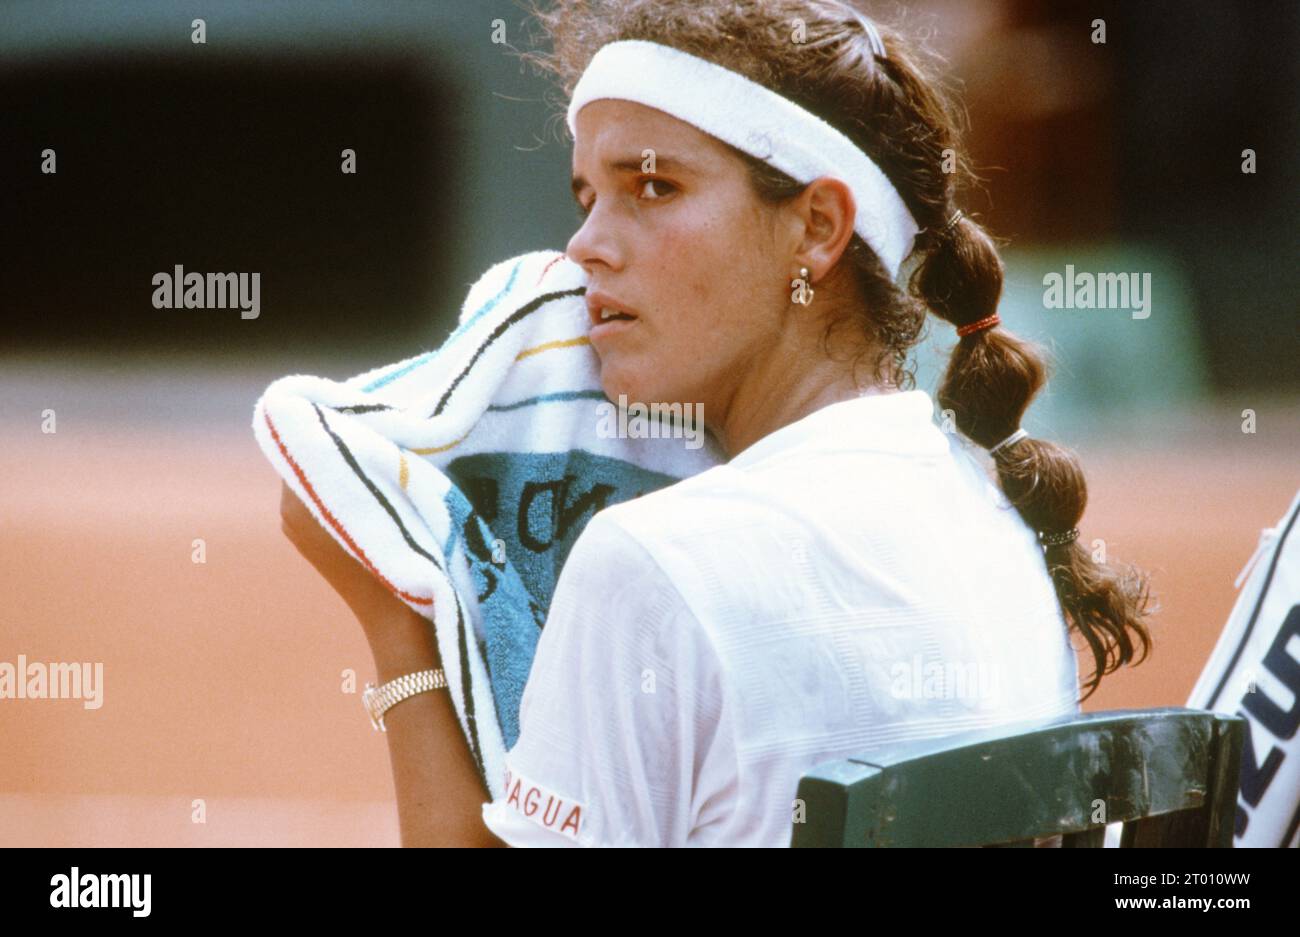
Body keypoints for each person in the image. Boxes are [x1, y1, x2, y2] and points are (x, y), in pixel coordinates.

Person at [281, 0, 1153, 847]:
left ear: (817, 228)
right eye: (587, 194)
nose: (585, 244)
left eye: (652, 186)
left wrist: (400, 611)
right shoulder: (1000, 514)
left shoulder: (653, 563)